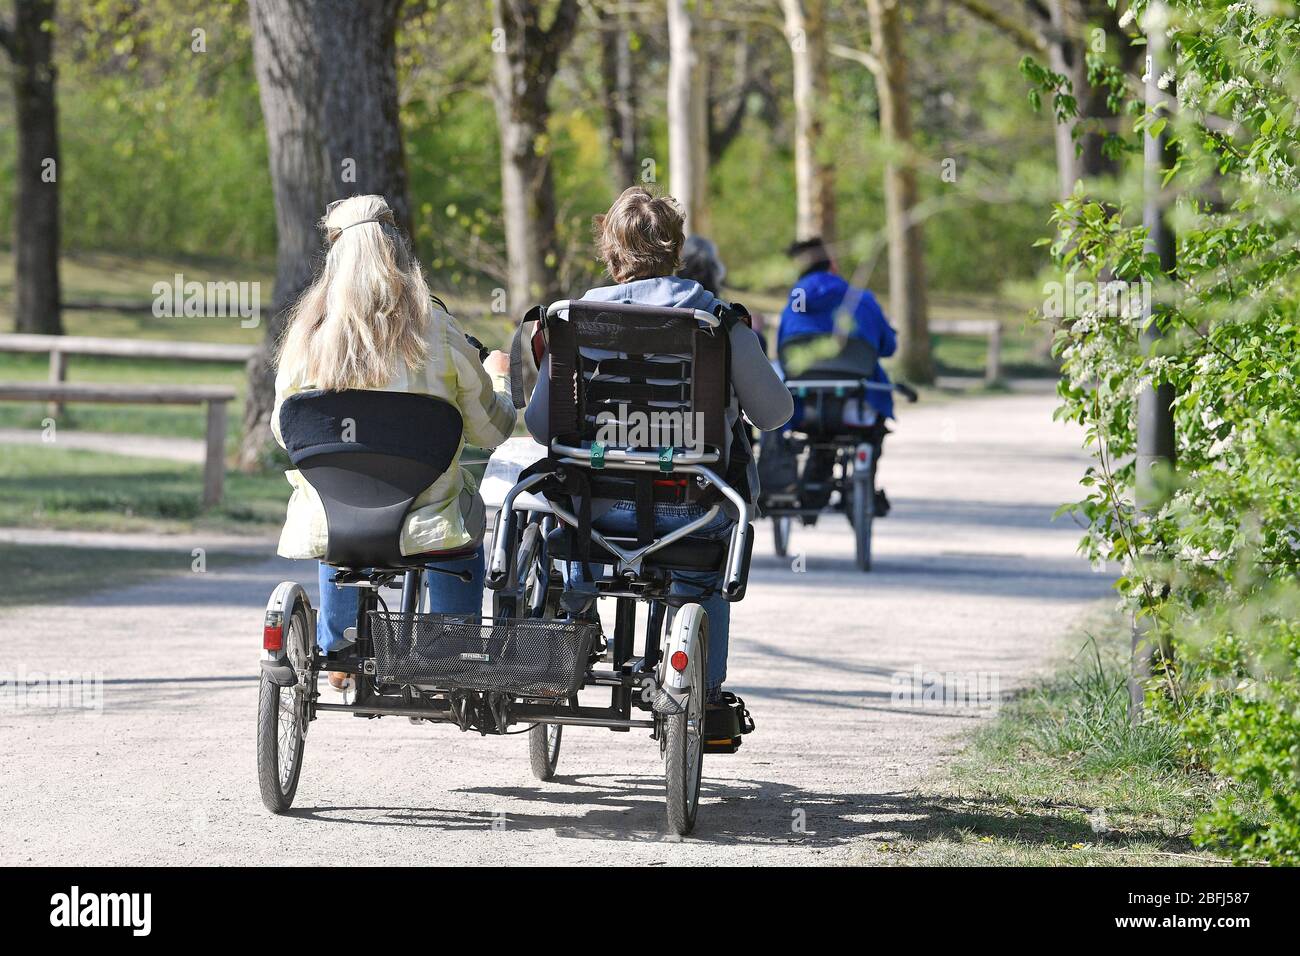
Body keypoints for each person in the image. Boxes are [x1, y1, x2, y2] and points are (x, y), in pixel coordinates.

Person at [525, 186, 792, 705]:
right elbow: (775, 414)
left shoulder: (571, 321)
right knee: (703, 570)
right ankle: (703, 696)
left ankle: (573, 624)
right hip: (689, 505)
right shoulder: (718, 320)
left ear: (610, 250)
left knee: (564, 509)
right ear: (677, 249)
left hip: (594, 510)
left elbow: (541, 426)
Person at [272, 194, 516, 689]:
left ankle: (338, 645)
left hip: (337, 523)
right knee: (461, 509)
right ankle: (447, 653)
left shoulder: (307, 337)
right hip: (428, 521)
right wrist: (501, 381)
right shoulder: (439, 333)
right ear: (396, 251)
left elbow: (287, 430)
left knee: (333, 499)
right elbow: (491, 431)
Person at [776, 236, 898, 513]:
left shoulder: (795, 301)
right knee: (873, 430)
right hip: (855, 404)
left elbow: (783, 350)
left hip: (802, 407)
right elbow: (888, 347)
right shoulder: (861, 299)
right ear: (832, 265)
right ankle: (864, 491)